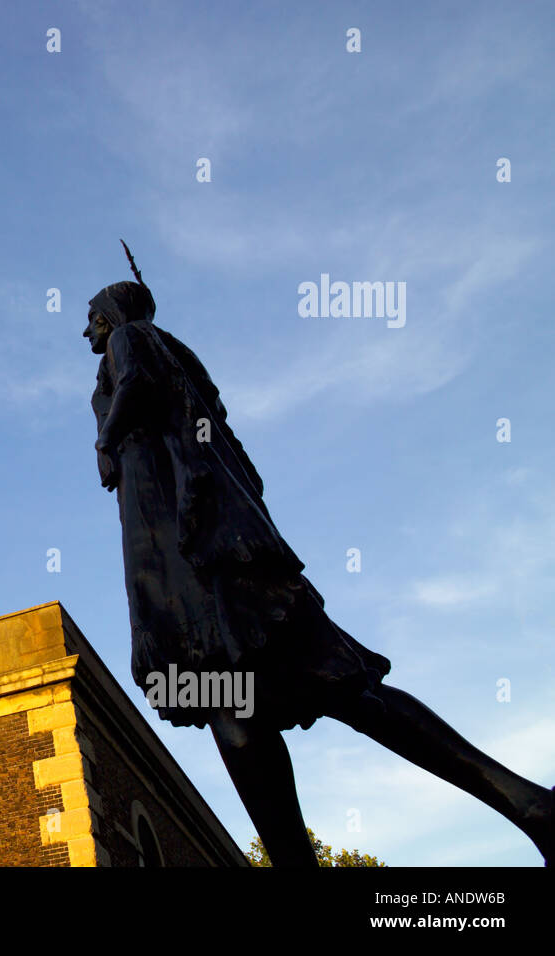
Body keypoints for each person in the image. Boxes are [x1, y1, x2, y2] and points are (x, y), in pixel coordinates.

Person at [87, 245, 553, 866]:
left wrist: (106, 435)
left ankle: (528, 806)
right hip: (206, 552)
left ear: (116, 309)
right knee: (317, 696)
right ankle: (526, 803)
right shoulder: (177, 357)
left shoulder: (132, 339)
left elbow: (138, 389)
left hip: (197, 564)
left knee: (248, 699)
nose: (86, 327)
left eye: (93, 312)